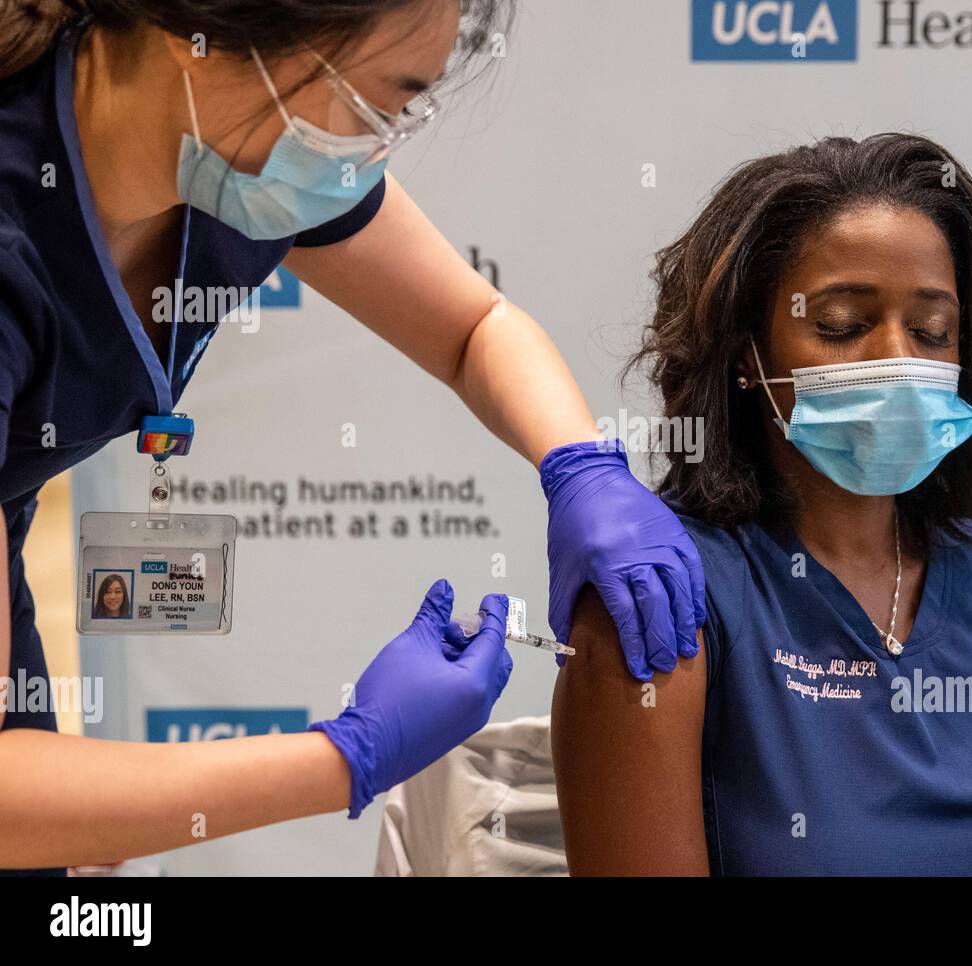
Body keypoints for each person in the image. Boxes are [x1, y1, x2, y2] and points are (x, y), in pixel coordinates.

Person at [0, 0, 704, 875]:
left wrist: (582, 467)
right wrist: (349, 756)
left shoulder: (231, 157)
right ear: (217, 41)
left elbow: (473, 328)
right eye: (381, 104)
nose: (373, 152)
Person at [552, 133, 972, 876]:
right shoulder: (663, 597)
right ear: (745, 353)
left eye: (932, 332)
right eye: (841, 325)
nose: (895, 360)